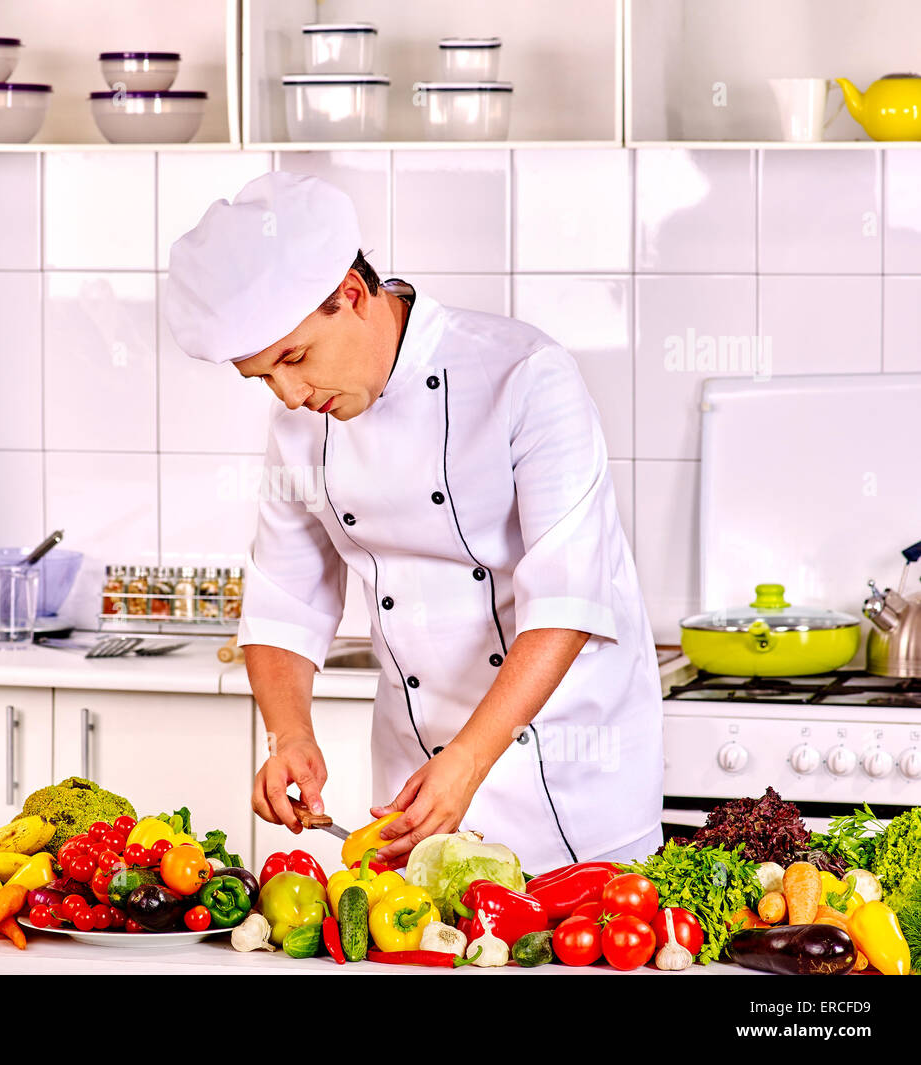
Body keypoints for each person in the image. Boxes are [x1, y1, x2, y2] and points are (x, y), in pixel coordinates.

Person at [163, 170, 663, 872]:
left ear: (353, 293)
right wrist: (289, 734)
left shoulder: (525, 376)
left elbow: (567, 602)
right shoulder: (301, 424)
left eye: (295, 359)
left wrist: (469, 761)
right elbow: (284, 598)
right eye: (263, 378)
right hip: (412, 785)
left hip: (569, 786)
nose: (291, 394)